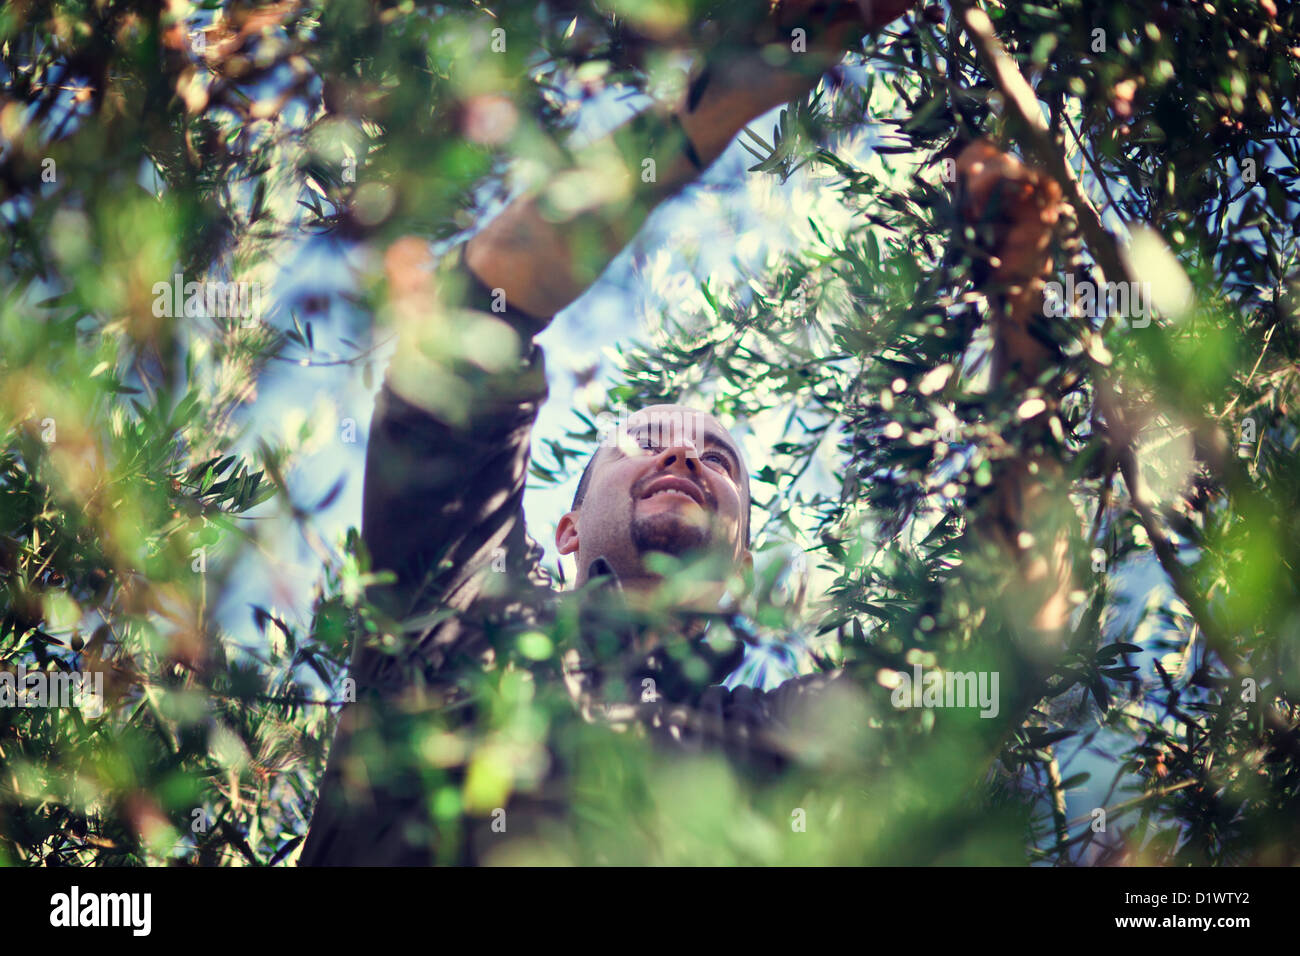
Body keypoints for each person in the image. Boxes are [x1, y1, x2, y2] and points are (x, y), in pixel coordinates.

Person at [299, 0, 1070, 865]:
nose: (681, 454)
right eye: (646, 441)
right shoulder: (464, 610)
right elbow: (479, 312)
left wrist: (1026, 316)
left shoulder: (770, 747)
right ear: (563, 529)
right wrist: (725, 99)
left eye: (718, 459)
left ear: (742, 566)